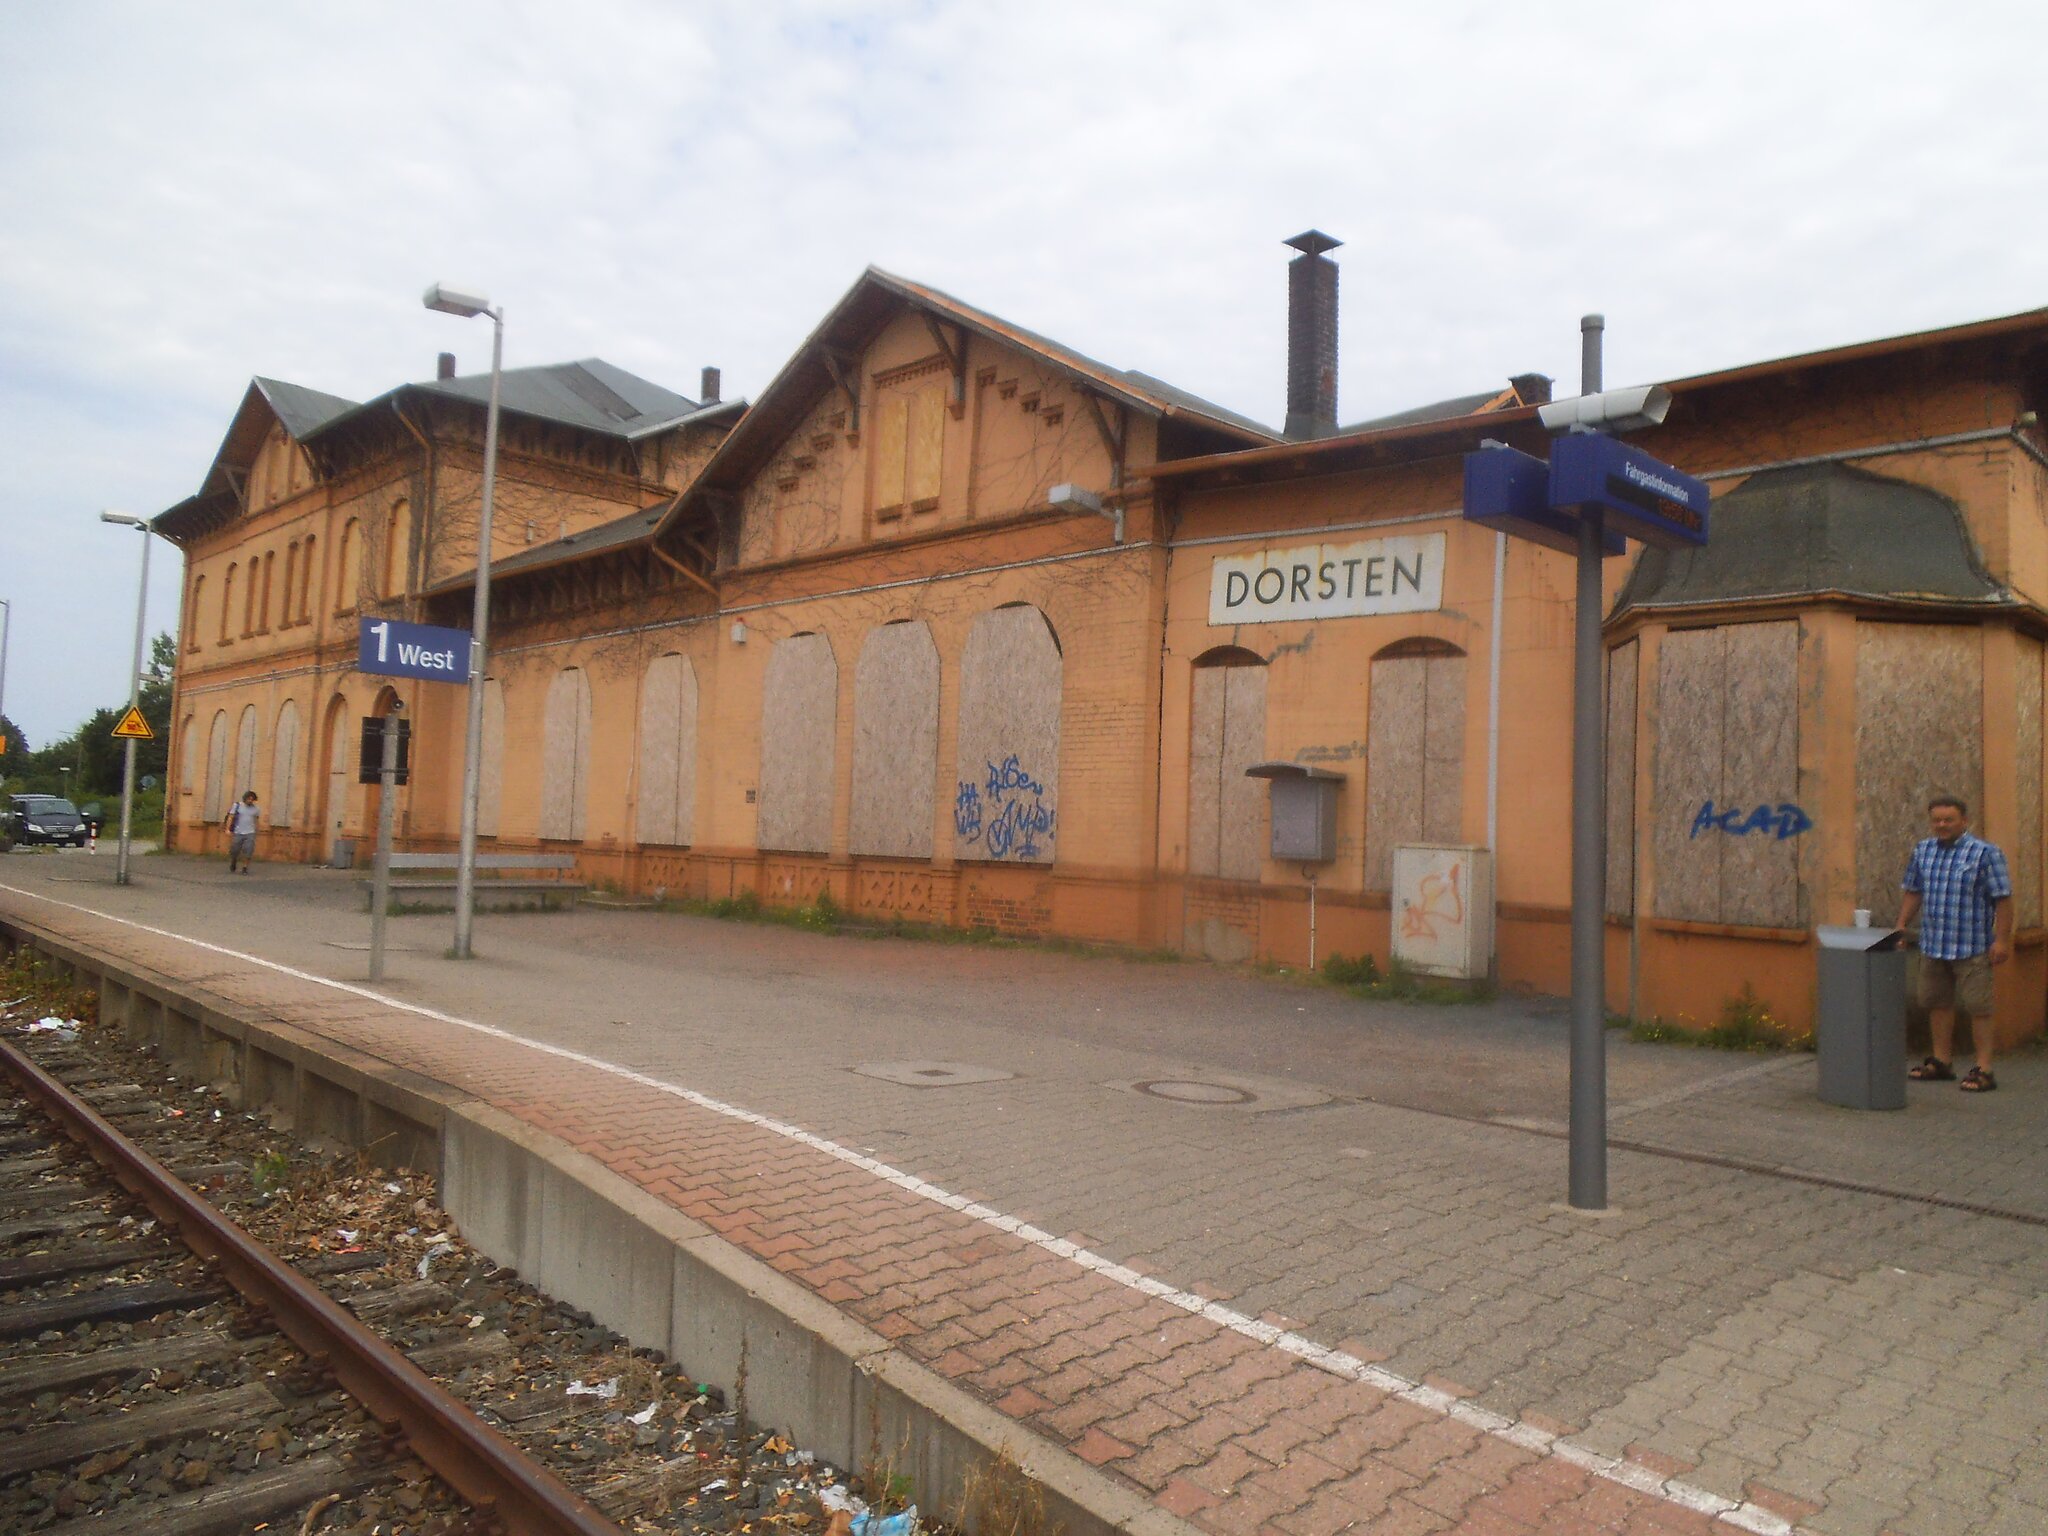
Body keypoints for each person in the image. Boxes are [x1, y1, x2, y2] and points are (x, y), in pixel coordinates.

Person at [1900, 795, 2013, 1092]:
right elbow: (1914, 891)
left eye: (1948, 820)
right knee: (1937, 1003)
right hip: (1934, 944)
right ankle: (1941, 1061)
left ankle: (1984, 1069)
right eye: (1936, 820)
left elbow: (2003, 899)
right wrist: (1900, 926)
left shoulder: (1985, 853)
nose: (1942, 825)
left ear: (1964, 821)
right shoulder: (1923, 851)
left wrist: (2001, 940)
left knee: (1979, 1007)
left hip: (1973, 946)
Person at [224, 790, 262, 876]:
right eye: (249, 799)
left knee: (249, 850)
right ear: (245, 799)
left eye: (252, 799)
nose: (250, 801)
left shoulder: (256, 809)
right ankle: (234, 860)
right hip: (238, 832)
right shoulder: (237, 806)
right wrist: (227, 829)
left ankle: (245, 867)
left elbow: (256, 820)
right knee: (234, 850)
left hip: (250, 832)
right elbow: (231, 817)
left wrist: (257, 830)